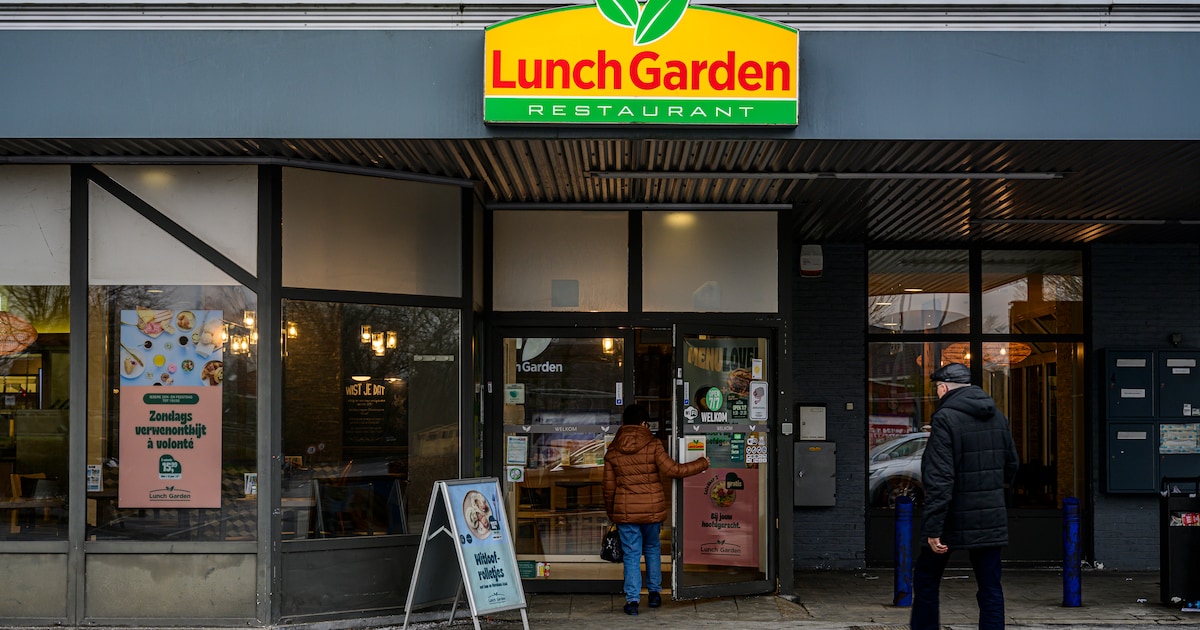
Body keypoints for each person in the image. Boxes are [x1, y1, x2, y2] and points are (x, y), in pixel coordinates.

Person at [911, 362, 1020, 630]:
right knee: (990, 587)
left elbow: (940, 478)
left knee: (926, 581)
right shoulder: (998, 416)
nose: (937, 393)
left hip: (951, 517)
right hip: (990, 516)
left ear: (944, 387)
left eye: (937, 388)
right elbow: (1012, 465)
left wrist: (933, 528)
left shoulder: (945, 418)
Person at [603, 404, 709, 616]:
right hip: (651, 510)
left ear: (624, 423)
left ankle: (632, 601)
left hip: (625, 512)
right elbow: (673, 470)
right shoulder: (653, 445)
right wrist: (702, 463)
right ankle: (654, 594)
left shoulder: (613, 450)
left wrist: (612, 513)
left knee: (631, 554)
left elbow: (608, 488)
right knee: (652, 548)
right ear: (644, 423)